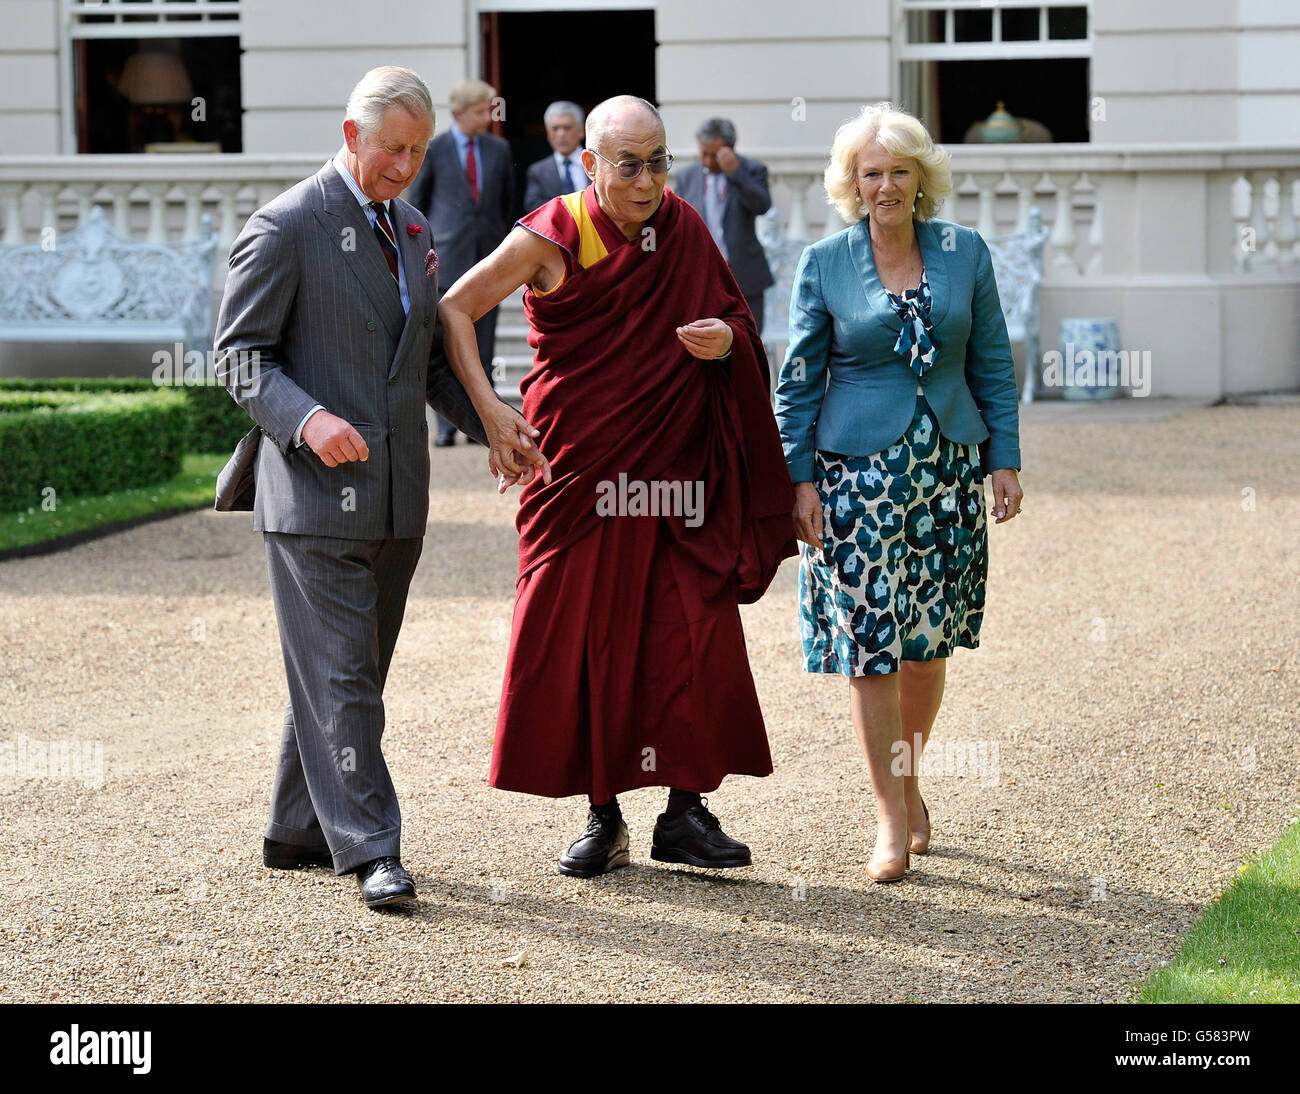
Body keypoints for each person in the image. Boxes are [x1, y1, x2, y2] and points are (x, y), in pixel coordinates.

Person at [212, 66, 546, 909]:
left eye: (416, 150)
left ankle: (295, 829)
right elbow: (239, 357)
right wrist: (307, 418)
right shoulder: (284, 225)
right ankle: (370, 848)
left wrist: (492, 424)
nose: (403, 165)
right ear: (352, 134)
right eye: (391, 148)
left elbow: (427, 363)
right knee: (345, 681)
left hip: (399, 499)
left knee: (345, 670)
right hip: (313, 499)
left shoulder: (415, 227)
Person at [439, 95, 796, 878]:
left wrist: (725, 345)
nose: (646, 180)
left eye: (659, 160)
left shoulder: (682, 226)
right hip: (578, 471)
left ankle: (686, 811)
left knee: (687, 632)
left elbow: (738, 322)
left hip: (673, 471)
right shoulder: (551, 232)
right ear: (590, 163)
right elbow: (455, 308)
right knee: (586, 638)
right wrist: (493, 414)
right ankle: (604, 814)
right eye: (628, 164)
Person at [774, 103, 1023, 883]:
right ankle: (889, 815)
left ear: (922, 178)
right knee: (869, 649)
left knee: (927, 647)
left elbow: (992, 363)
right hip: (854, 480)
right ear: (853, 183)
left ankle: (910, 783)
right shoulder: (824, 262)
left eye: (899, 171)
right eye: (871, 173)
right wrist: (798, 480)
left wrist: (1004, 461)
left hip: (945, 470)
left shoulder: (965, 252)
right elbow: (798, 383)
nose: (885, 185)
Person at [409, 79, 515, 446]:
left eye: (490, 109)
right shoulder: (433, 150)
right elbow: (417, 204)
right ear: (458, 114)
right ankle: (446, 427)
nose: (488, 117)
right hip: (447, 259)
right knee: (446, 343)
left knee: (483, 345)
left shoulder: (499, 150)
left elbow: (506, 206)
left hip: (489, 261)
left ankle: (479, 423)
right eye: (480, 111)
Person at [673, 118, 775, 385]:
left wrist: (736, 173)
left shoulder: (751, 169)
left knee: (748, 344)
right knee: (702, 347)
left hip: (745, 277)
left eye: (713, 153)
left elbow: (762, 205)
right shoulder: (686, 176)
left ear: (728, 149)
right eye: (702, 153)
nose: (707, 160)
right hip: (700, 278)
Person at [523, 100, 588, 212]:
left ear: (581, 131)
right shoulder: (538, 171)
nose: (561, 134)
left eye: (567, 128)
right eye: (555, 128)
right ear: (548, 133)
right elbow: (533, 208)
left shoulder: (596, 164)